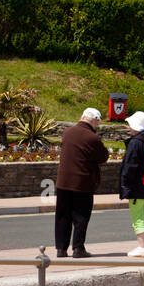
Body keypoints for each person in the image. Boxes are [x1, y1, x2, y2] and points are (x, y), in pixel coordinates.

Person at [54, 108, 109, 258]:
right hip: (82, 183)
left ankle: (61, 249)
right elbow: (103, 157)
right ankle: (78, 248)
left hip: (63, 182)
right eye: (98, 122)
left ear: (82, 116)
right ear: (95, 120)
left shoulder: (67, 132)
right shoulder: (92, 138)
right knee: (81, 217)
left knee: (62, 216)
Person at [118, 111, 144, 257]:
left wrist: (125, 186)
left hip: (138, 187)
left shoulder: (136, 142)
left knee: (138, 217)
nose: (129, 127)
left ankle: (142, 247)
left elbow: (129, 166)